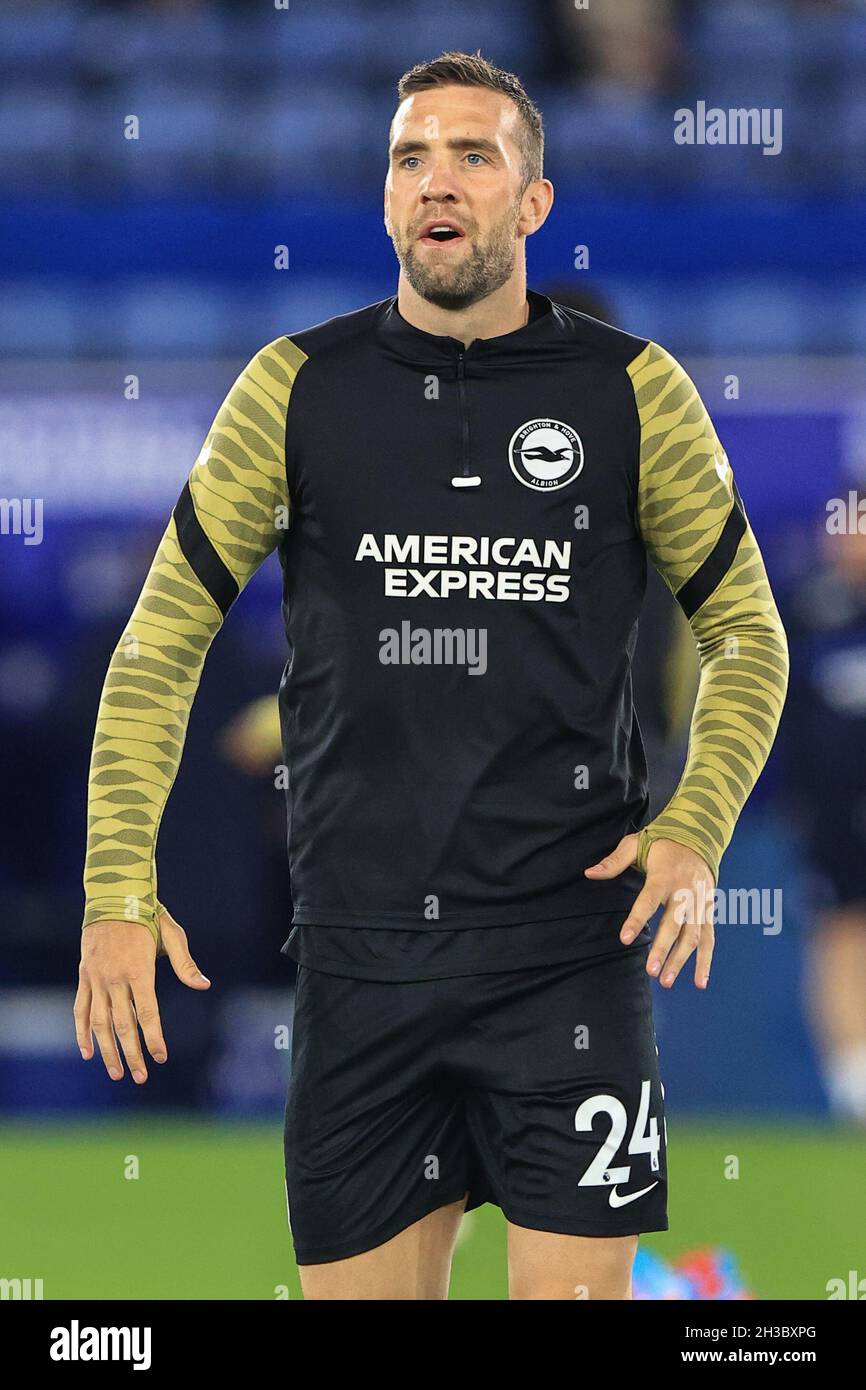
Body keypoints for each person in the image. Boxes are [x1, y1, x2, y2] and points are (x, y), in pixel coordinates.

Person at [76, 51, 789, 1300]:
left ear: (533, 204)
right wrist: (115, 884)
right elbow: (159, 641)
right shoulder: (291, 390)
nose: (435, 180)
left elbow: (747, 631)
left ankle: (687, 1293)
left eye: (473, 154)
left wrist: (693, 826)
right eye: (410, 157)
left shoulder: (631, 392)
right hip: (359, 964)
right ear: (385, 195)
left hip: (567, 952)